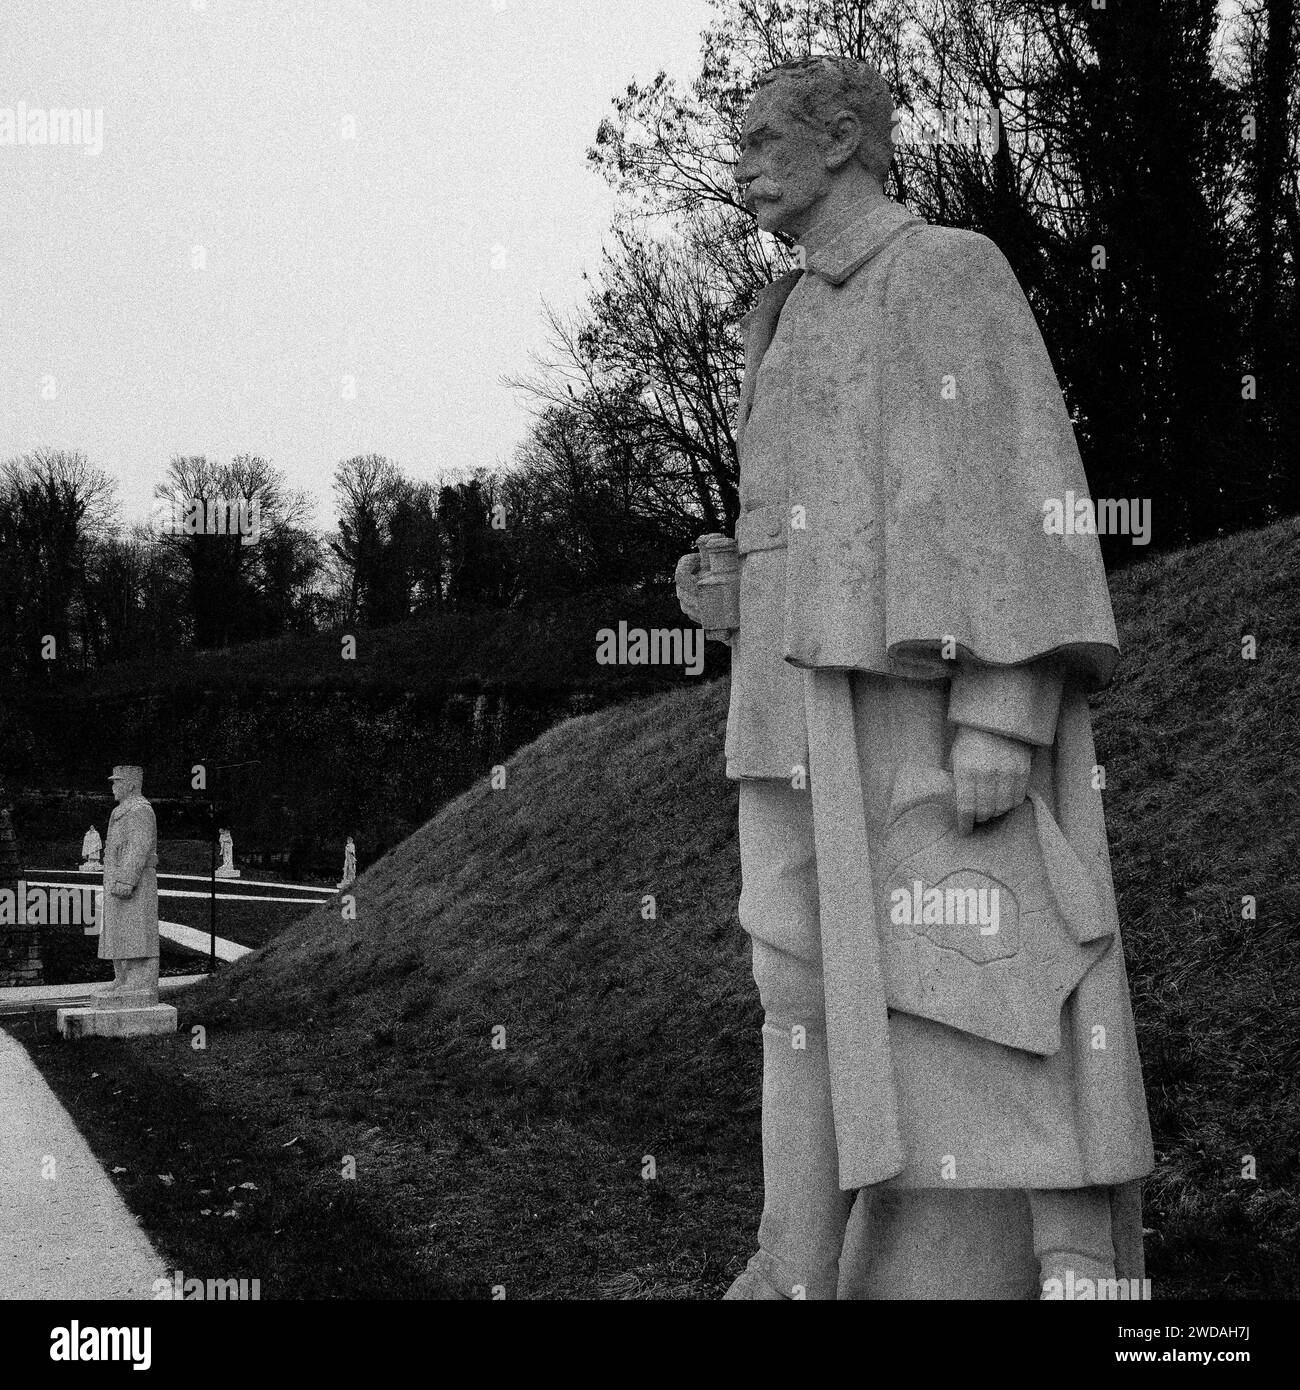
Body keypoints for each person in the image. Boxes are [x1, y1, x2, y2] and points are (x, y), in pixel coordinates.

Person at [676, 55, 1153, 1300]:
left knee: (977, 943)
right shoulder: (781, 312)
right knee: (789, 972)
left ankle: (1066, 1243)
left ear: (842, 139)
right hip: (781, 699)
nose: (740, 160)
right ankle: (793, 1260)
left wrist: (1006, 697)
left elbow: (1022, 483)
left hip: (915, 682)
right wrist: (741, 588)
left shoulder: (942, 267)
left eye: (762, 134)